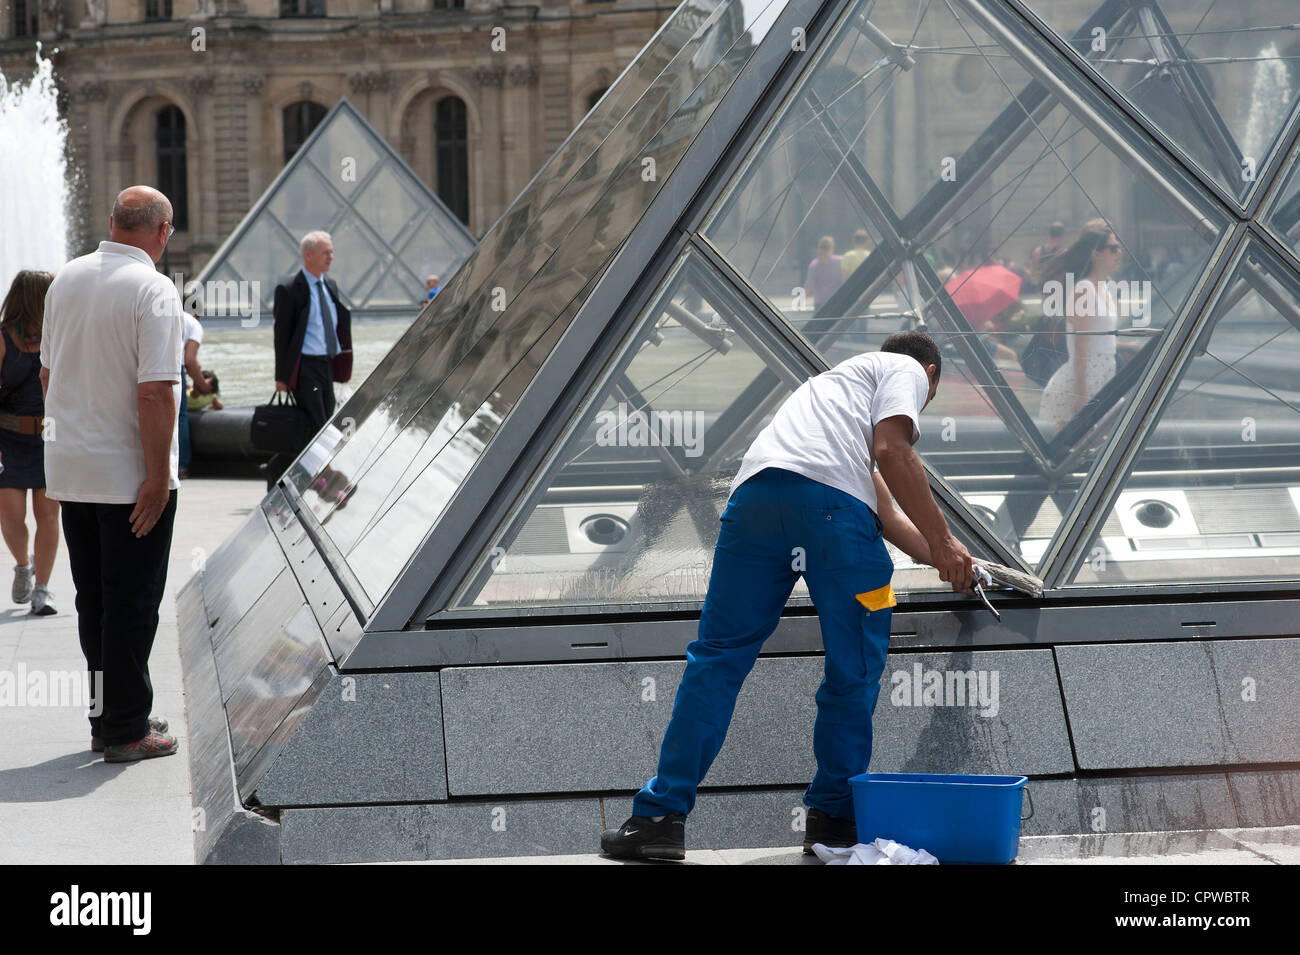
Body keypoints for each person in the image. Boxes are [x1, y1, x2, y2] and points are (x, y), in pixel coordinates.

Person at [601, 330, 976, 861]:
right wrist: (944, 539)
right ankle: (832, 820)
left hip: (754, 506)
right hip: (832, 519)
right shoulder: (906, 369)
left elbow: (887, 513)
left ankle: (658, 819)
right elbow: (893, 449)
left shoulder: (829, 395)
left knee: (716, 661)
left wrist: (952, 561)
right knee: (852, 671)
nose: (918, 407)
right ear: (930, 375)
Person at [41, 184, 183, 762]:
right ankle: (128, 729)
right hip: (128, 475)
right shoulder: (154, 288)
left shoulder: (65, 279)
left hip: (72, 470)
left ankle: (109, 718)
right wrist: (155, 476)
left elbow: (48, 378)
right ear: (162, 233)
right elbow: (154, 392)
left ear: (112, 222)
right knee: (132, 600)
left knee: (95, 599)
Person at [0, 269, 60, 616]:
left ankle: (43, 589)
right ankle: (24, 565)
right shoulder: (4, 338)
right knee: (10, 516)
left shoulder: (59, 337)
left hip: (49, 436)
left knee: (48, 513)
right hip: (9, 437)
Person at [1037, 219, 1126, 432]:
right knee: (1080, 442)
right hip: (1087, 377)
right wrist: (1081, 393)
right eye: (1113, 248)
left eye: (1119, 247)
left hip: (1103, 372)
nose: (1119, 253)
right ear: (1096, 254)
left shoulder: (1104, 287)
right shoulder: (1084, 290)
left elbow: (1101, 338)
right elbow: (1081, 346)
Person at [273, 230, 352, 436]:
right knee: (318, 421)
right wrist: (281, 377)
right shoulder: (289, 288)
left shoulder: (331, 285)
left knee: (327, 413)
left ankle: (281, 466)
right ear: (308, 255)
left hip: (327, 364)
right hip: (305, 366)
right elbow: (281, 335)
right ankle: (323, 468)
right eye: (326, 253)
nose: (331, 257)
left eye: (332, 252)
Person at [177, 309, 211, 478]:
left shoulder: (165, 315)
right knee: (180, 417)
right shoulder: (193, 323)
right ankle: (181, 466)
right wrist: (202, 385)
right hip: (175, 369)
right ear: (196, 312)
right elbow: (190, 360)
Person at [803, 235, 843, 308]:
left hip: (820, 302)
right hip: (836, 301)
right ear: (832, 248)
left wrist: (801, 302)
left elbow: (808, 285)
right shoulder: (840, 261)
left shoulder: (814, 264)